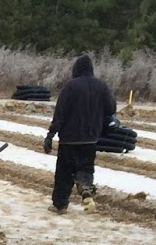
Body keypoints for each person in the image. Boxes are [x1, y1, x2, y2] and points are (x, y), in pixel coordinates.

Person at [43, 54, 115, 214]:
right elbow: (111, 109)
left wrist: (50, 135)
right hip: (91, 139)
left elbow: (60, 113)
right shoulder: (102, 86)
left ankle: (60, 205)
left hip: (69, 138)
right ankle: (86, 188)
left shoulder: (71, 86)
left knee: (64, 173)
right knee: (86, 167)